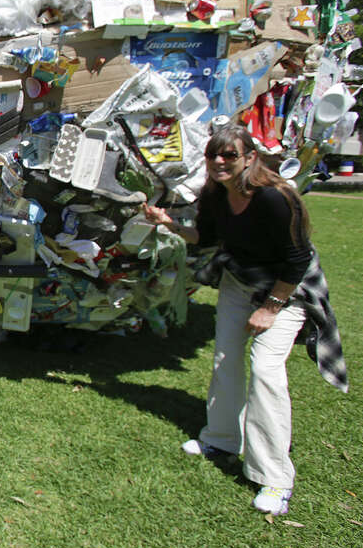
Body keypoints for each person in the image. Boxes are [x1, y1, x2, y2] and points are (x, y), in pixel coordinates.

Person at [144, 123, 345, 517]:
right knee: (225, 359)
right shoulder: (216, 194)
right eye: (213, 154)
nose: (220, 161)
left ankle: (275, 477)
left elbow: (298, 259)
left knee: (266, 370)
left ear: (250, 158)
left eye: (230, 155)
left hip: (287, 288)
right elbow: (205, 237)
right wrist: (167, 222)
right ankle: (220, 437)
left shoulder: (275, 197)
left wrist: (270, 307)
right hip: (240, 280)